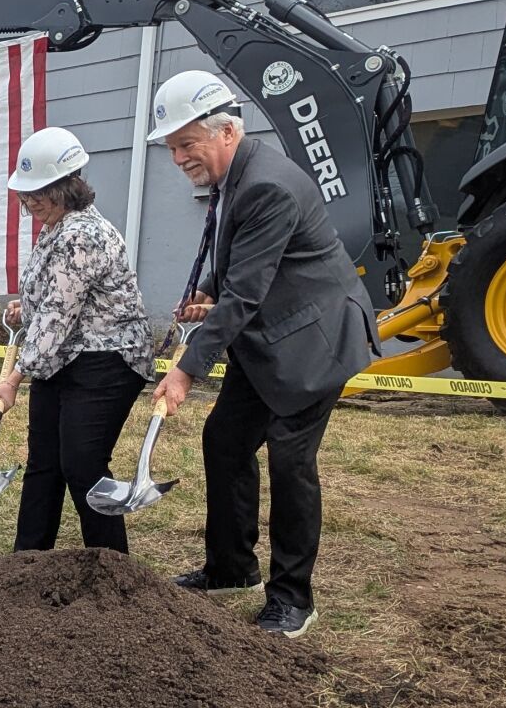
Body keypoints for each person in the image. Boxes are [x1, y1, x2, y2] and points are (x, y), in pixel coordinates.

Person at [149, 70, 378, 638]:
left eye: (186, 144)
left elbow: (246, 295)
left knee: (290, 462)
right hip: (268, 339)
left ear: (226, 132)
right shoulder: (235, 176)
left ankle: (293, 600)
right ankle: (232, 569)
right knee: (225, 439)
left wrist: (183, 372)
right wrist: (207, 290)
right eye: (172, 147)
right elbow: (239, 264)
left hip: (313, 341)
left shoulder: (266, 185)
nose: (178, 158)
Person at [0, 127, 153, 553]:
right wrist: (27, 308)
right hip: (65, 356)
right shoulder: (55, 228)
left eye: (40, 191)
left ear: (69, 185)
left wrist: (14, 378)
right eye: (25, 193)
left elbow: (58, 317)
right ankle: (27, 562)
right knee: (44, 462)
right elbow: (60, 296)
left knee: (81, 462)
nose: (30, 201)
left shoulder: (81, 233)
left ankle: (111, 569)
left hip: (109, 360)